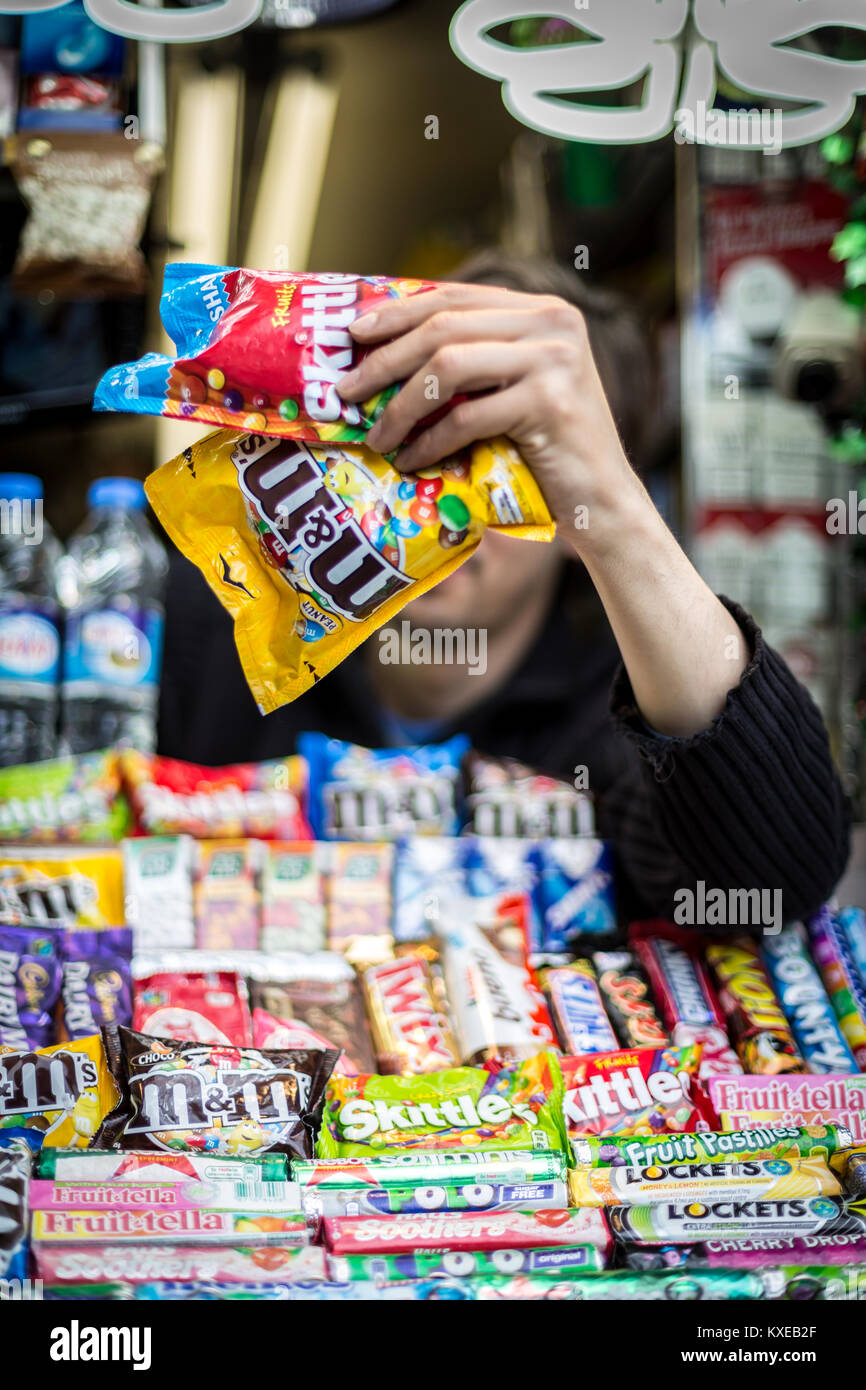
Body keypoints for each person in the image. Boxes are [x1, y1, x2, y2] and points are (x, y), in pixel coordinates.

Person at [158, 250, 850, 925]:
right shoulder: (197, 629)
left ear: (574, 534)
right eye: (422, 425)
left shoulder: (621, 722)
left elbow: (778, 888)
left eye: (504, 466)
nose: (441, 496)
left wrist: (614, 510)